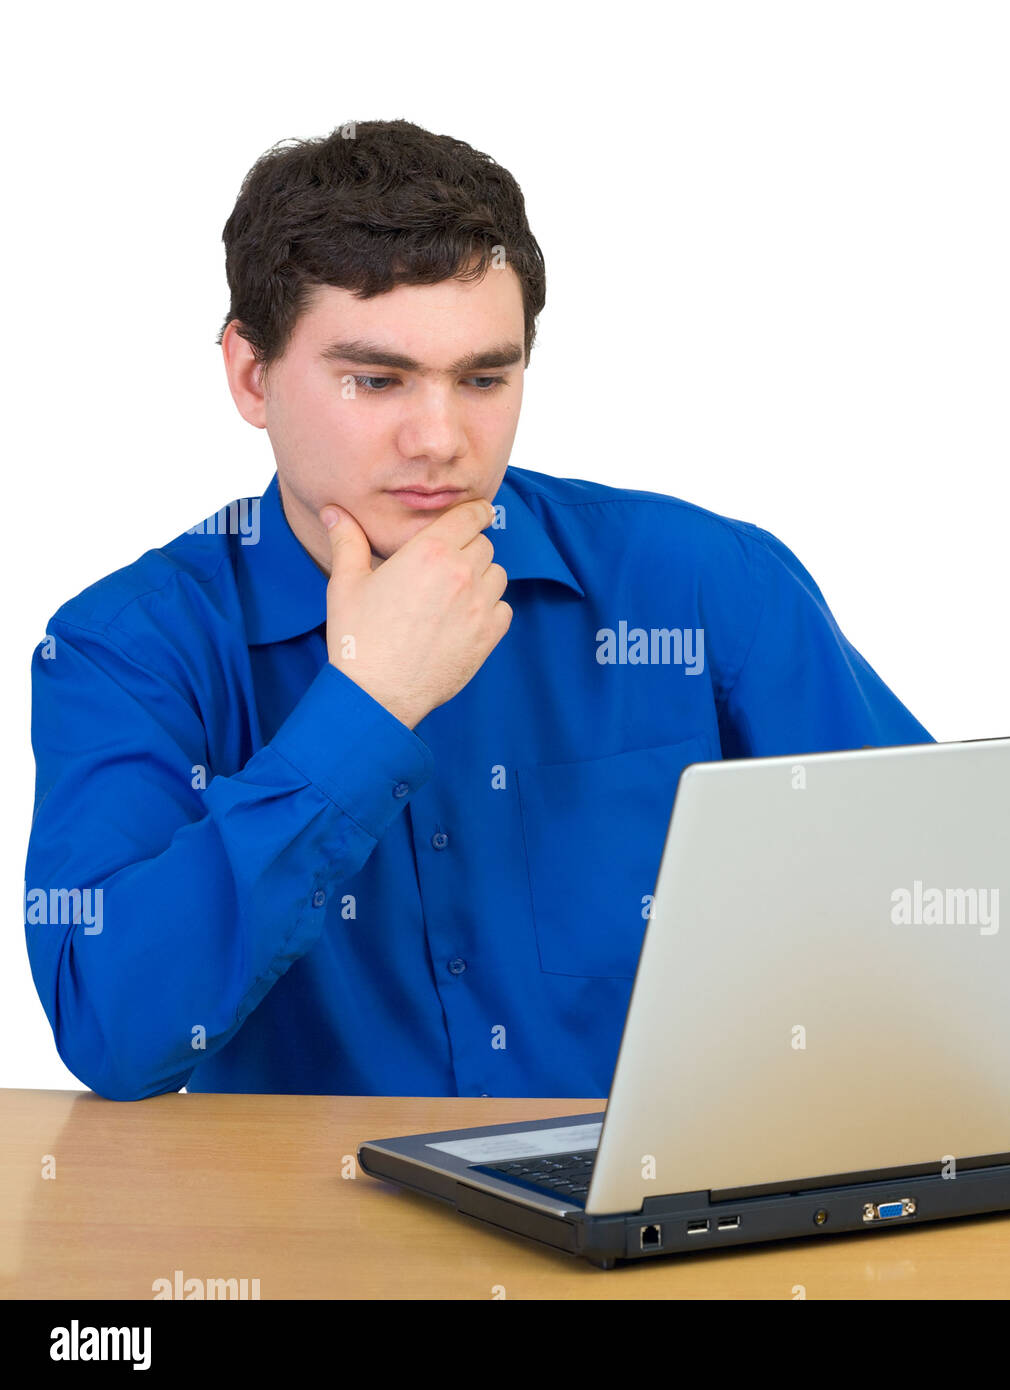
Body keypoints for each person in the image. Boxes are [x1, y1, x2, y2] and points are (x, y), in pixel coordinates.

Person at [25, 119, 932, 1102]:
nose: (440, 439)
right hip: (313, 1241)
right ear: (251, 375)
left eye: (484, 378)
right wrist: (365, 709)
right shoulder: (126, 650)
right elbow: (114, 1032)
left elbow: (930, 909)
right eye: (376, 380)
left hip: (663, 1223)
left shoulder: (707, 585)